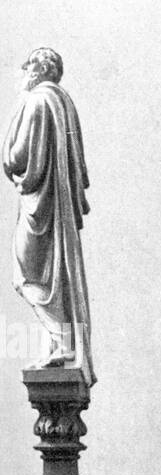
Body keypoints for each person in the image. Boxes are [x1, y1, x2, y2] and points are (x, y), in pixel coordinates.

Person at [2, 48, 93, 380]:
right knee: (52, 276)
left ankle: (62, 342)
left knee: (30, 274)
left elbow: (18, 156)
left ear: (38, 70)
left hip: (39, 207)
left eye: (26, 67)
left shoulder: (37, 101)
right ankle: (57, 346)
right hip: (55, 208)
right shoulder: (62, 102)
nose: (23, 73)